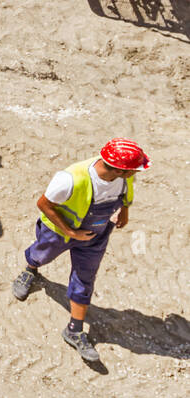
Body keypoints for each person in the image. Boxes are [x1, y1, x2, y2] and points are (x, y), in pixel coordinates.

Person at [11, 139, 150, 362]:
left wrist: (125, 210)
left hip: (95, 236)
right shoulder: (71, 179)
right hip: (59, 233)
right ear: (119, 168)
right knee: (41, 255)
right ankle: (30, 269)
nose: (136, 173)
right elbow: (43, 204)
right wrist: (70, 232)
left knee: (85, 280)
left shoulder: (124, 177)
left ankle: (74, 331)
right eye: (133, 169)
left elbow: (126, 191)